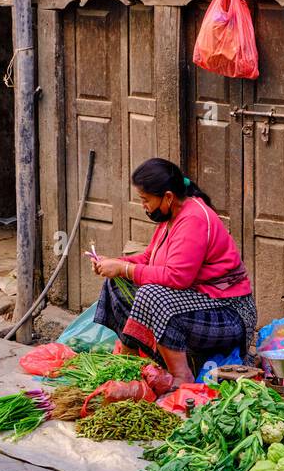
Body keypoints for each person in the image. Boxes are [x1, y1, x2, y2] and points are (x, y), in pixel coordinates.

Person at [92, 158, 257, 384]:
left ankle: (181, 376)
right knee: (116, 283)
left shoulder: (194, 218)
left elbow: (177, 277)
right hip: (198, 300)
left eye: (145, 200)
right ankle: (130, 361)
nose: (144, 206)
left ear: (168, 197)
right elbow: (150, 259)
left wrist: (126, 268)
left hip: (229, 313)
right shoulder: (170, 216)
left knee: (153, 295)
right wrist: (115, 264)